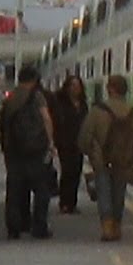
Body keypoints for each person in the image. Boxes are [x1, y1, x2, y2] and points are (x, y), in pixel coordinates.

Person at [77, 75, 133, 241]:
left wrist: (90, 153)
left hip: (101, 160)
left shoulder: (97, 111)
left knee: (104, 193)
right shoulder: (131, 112)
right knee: (119, 194)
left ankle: (107, 228)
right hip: (124, 161)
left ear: (110, 89)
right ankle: (117, 227)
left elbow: (85, 137)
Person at [0, 66, 56, 239]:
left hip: (14, 151)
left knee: (14, 190)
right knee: (41, 190)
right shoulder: (37, 96)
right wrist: (50, 142)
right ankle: (39, 227)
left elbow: (3, 123)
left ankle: (14, 228)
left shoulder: (11, 97)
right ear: (34, 80)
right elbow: (46, 118)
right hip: (36, 150)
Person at [52, 75, 89, 214]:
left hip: (79, 142)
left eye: (78, 86)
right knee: (67, 171)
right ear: (67, 87)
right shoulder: (61, 103)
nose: (76, 88)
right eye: (73, 85)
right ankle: (64, 203)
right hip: (65, 142)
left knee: (77, 172)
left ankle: (72, 202)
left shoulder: (83, 104)